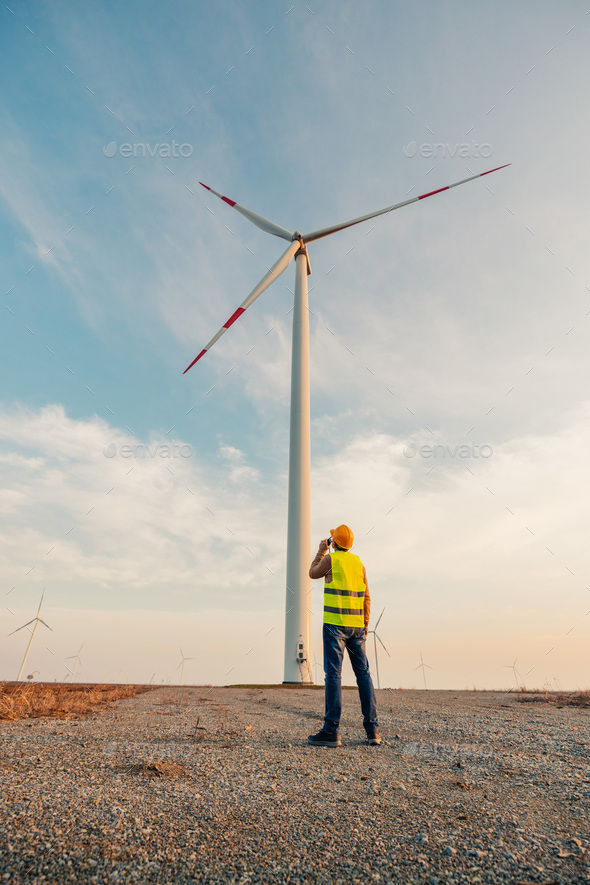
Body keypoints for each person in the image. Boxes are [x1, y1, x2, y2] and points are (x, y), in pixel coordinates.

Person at [307, 524, 381, 748]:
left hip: (335, 625)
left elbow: (312, 573)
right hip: (357, 626)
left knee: (334, 675)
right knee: (363, 675)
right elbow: (367, 597)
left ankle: (331, 731)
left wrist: (321, 550)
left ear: (334, 543)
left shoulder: (332, 560)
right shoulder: (359, 563)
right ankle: (373, 730)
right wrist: (365, 623)